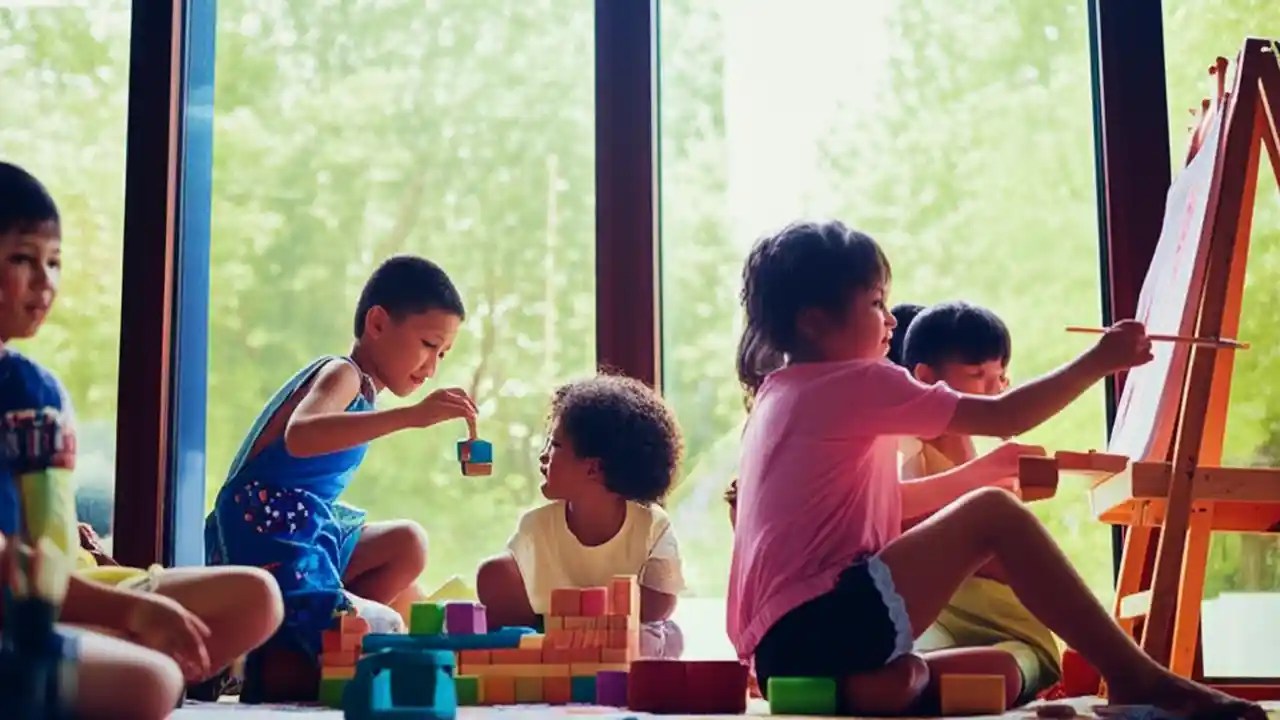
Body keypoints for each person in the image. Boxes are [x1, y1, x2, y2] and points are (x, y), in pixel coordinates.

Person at [727, 218, 1263, 719]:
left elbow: (891, 500)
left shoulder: (779, 394)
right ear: (815, 322)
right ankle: (1135, 675)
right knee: (996, 515)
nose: (890, 319)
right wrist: (1101, 360)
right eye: (874, 302)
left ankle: (870, 684)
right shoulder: (857, 381)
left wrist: (970, 478)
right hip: (824, 619)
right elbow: (1008, 415)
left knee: (985, 655)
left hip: (781, 651)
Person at [0, 160, 282, 715]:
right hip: (21, 604)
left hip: (56, 593)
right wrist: (128, 613)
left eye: (54, 263)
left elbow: (46, 543)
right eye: (23, 259)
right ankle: (112, 656)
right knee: (149, 682)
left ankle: (101, 652)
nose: (46, 281)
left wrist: (86, 573)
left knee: (258, 598)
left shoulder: (36, 390)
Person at [204, 254, 477, 699]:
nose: (432, 367)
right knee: (378, 631)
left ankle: (314, 642)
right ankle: (276, 657)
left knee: (408, 544)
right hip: (264, 527)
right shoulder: (342, 372)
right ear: (377, 323)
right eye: (428, 344)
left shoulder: (365, 390)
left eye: (443, 354)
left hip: (309, 524)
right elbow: (302, 435)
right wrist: (410, 417)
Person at [892, 300, 1061, 706]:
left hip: (1007, 627)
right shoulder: (904, 448)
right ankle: (902, 682)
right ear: (925, 379)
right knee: (905, 655)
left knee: (1007, 667)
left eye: (1000, 377)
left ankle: (909, 686)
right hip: (937, 616)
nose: (995, 389)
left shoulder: (981, 456)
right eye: (977, 375)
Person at [476, 374, 685, 658]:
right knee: (492, 571)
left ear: (593, 469)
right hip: (554, 634)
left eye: (555, 445)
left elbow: (660, 605)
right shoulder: (536, 526)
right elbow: (499, 581)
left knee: (654, 639)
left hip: (628, 631)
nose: (543, 456)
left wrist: (599, 620)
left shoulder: (652, 525)